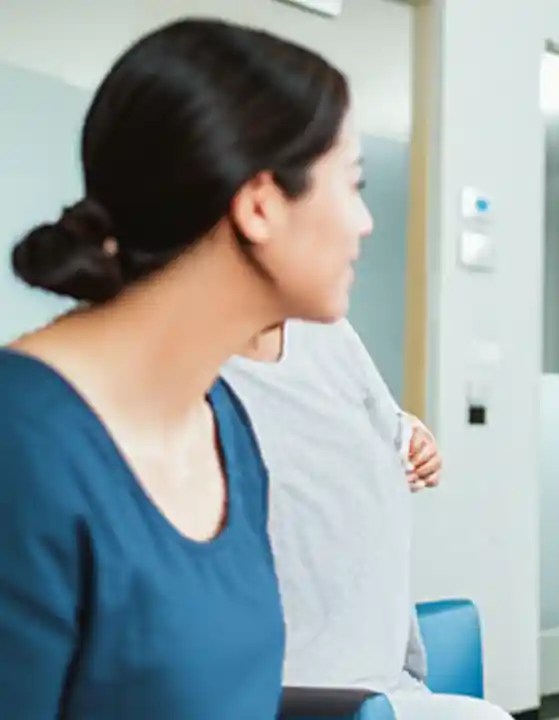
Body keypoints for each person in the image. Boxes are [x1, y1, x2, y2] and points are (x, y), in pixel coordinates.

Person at [0, 18, 368, 718]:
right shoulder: (21, 446)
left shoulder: (225, 425)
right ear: (260, 205)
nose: (364, 222)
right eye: (352, 184)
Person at [221, 319, 512, 719]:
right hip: (300, 694)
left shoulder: (329, 333)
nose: (353, 253)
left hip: (386, 682)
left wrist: (411, 439)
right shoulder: (190, 376)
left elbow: (392, 429)